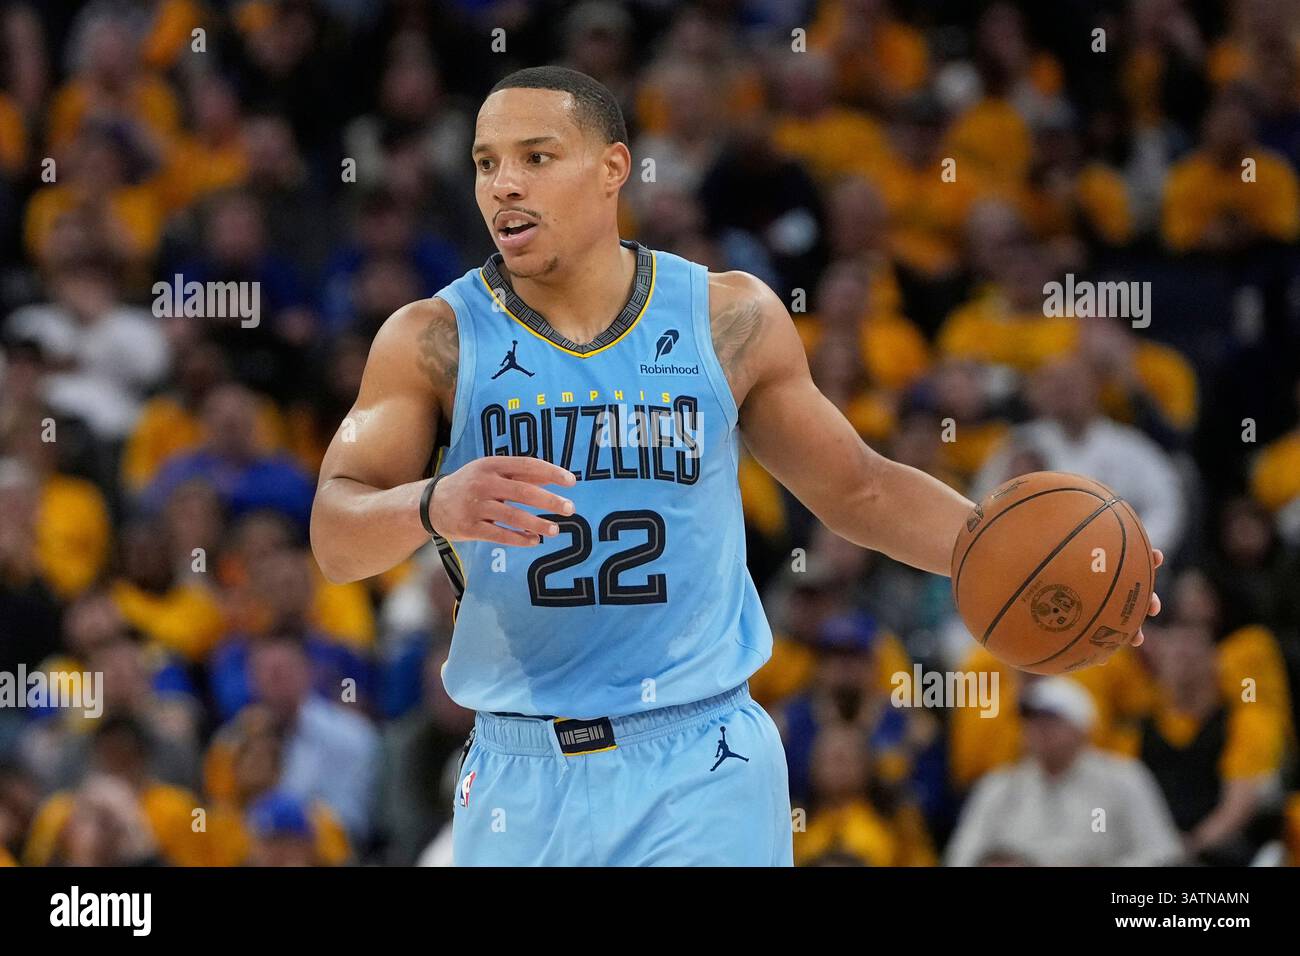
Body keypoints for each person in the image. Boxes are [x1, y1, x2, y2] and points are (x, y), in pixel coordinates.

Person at [309, 66, 1163, 867]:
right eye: (486, 163)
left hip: (702, 756)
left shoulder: (728, 318)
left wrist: (1033, 564)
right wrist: (432, 502)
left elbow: (859, 488)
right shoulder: (433, 338)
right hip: (519, 764)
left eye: (537, 158)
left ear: (613, 168)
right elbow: (335, 534)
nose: (505, 183)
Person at [945, 677, 1184, 867]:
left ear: (1082, 726)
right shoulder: (999, 785)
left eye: (1051, 719)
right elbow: (961, 855)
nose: (1039, 729)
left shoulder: (1122, 778)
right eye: (1032, 720)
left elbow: (1163, 853)